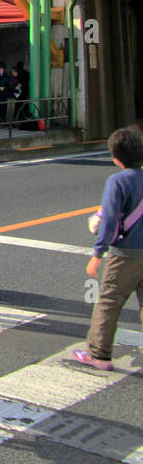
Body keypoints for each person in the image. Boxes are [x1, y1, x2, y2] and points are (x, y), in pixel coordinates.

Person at [74, 127, 143, 370]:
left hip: (125, 254)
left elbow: (110, 220)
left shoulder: (117, 181)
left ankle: (99, 354)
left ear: (116, 158)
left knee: (108, 302)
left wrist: (97, 253)